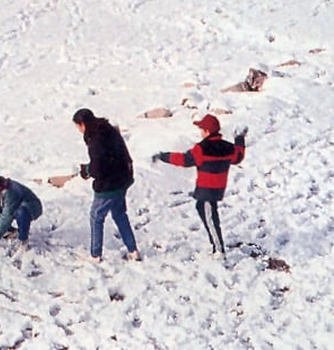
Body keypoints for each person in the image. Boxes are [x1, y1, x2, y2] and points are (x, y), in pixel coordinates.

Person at [152, 114, 246, 257]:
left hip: (208, 189)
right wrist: (239, 138)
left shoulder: (201, 149)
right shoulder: (228, 147)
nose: (200, 132)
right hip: (216, 187)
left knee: (210, 217)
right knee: (201, 208)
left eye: (201, 129)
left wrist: (163, 156)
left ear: (207, 131)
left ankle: (219, 250)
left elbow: (184, 160)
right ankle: (216, 244)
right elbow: (238, 156)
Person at [72, 108, 141, 262]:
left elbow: (99, 167)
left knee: (96, 216)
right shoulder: (108, 130)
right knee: (119, 215)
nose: (78, 130)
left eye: (77, 126)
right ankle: (133, 250)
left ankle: (95, 255)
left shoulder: (95, 139)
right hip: (123, 179)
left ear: (82, 124)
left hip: (109, 185)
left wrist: (88, 170)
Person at [0, 171, 43, 254]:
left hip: (31, 206)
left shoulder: (9, 192)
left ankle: (23, 240)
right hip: (10, 207)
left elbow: (6, 218)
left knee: (21, 212)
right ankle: (10, 231)